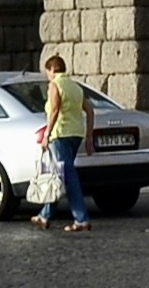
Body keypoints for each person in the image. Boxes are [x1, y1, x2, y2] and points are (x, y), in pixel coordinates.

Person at [33, 52, 96, 232]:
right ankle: (44, 215)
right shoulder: (75, 87)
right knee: (59, 176)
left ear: (53, 69)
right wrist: (89, 137)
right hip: (76, 135)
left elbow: (54, 111)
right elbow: (90, 111)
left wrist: (47, 134)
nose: (48, 75)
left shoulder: (55, 85)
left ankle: (81, 219)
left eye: (47, 71)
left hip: (60, 135)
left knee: (67, 177)